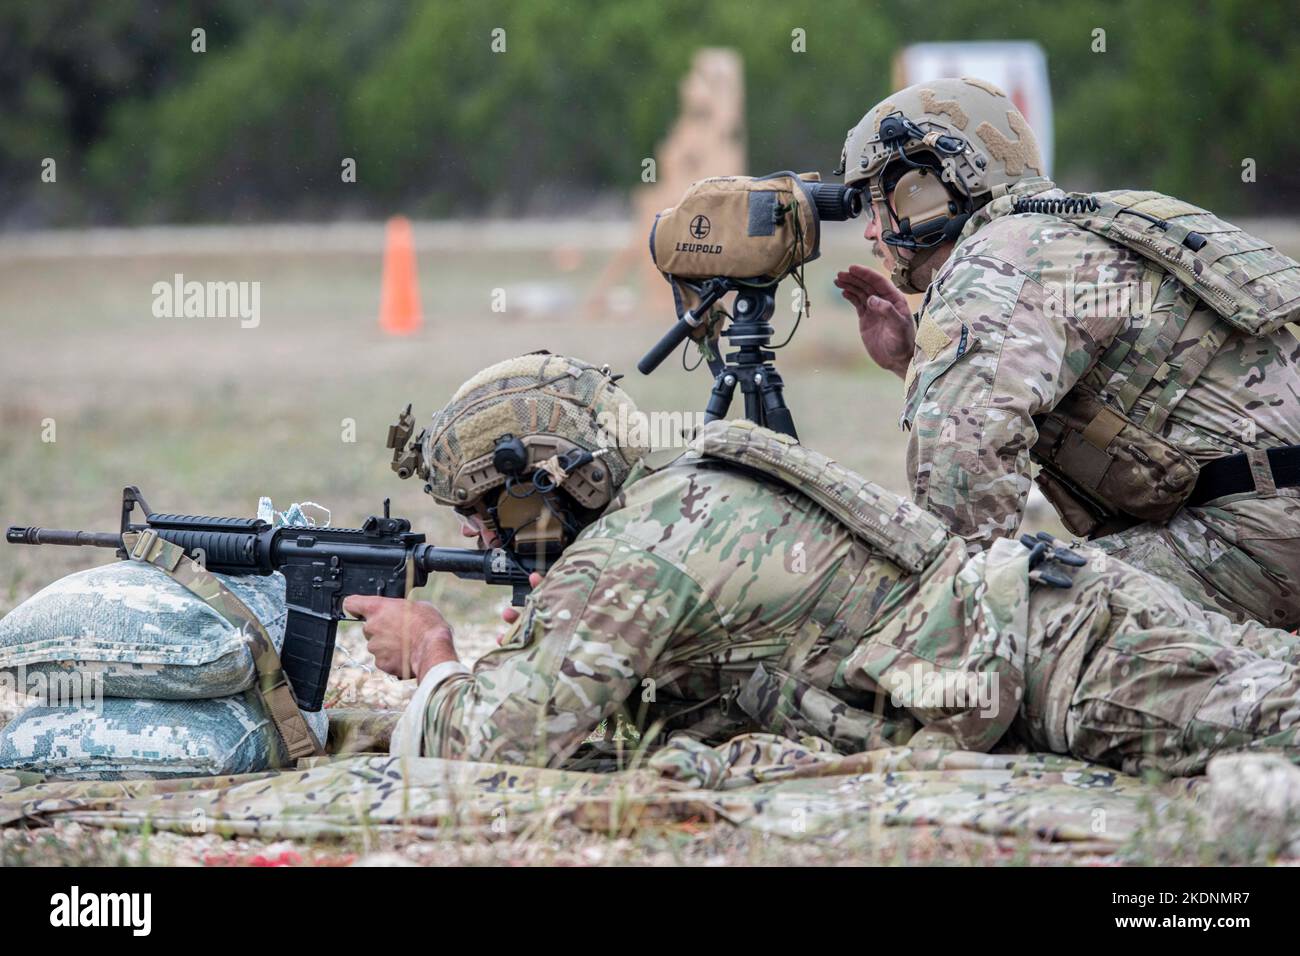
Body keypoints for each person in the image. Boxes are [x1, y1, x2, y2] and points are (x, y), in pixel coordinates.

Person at [344, 352, 1300, 778]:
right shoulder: (676, 487)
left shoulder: (635, 554)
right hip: (1051, 614)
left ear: (546, 483)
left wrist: (433, 656)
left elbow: (497, 744)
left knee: (1274, 725)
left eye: (485, 512)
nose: (482, 538)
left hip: (1058, 659)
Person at [833, 77, 1300, 628]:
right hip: (1270, 518)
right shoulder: (1067, 227)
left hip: (1254, 535)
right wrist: (916, 359)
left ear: (935, 187)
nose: (870, 230)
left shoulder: (995, 261)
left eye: (880, 201)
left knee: (1014, 629)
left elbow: (962, 508)